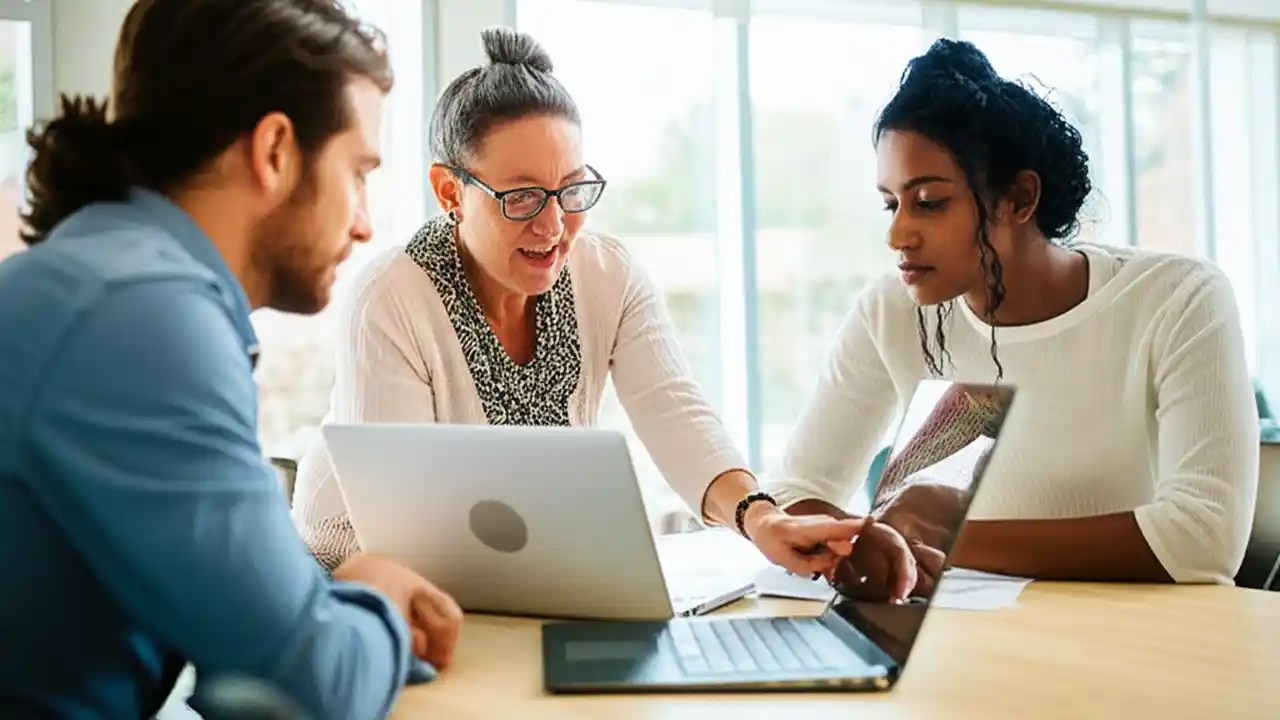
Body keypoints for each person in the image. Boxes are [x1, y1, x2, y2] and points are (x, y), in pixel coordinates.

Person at [0, 1, 462, 718]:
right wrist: (371, 596)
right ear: (275, 150)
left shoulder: (103, 279)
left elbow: (248, 626)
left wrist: (335, 602)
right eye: (358, 172)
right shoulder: (139, 318)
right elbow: (310, 680)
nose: (366, 223)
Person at [292, 27, 869, 583]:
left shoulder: (607, 275)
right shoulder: (390, 300)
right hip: (355, 569)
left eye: (571, 190)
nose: (553, 224)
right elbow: (404, 523)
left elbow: (674, 412)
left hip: (509, 570)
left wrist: (760, 518)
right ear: (450, 191)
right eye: (521, 197)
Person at [771, 39, 1258, 586]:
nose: (898, 234)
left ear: (1020, 200)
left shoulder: (1176, 298)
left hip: (1131, 645)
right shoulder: (893, 309)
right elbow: (792, 493)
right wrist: (879, 541)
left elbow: (1203, 538)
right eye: (892, 203)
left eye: (929, 202)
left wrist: (946, 532)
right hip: (966, 639)